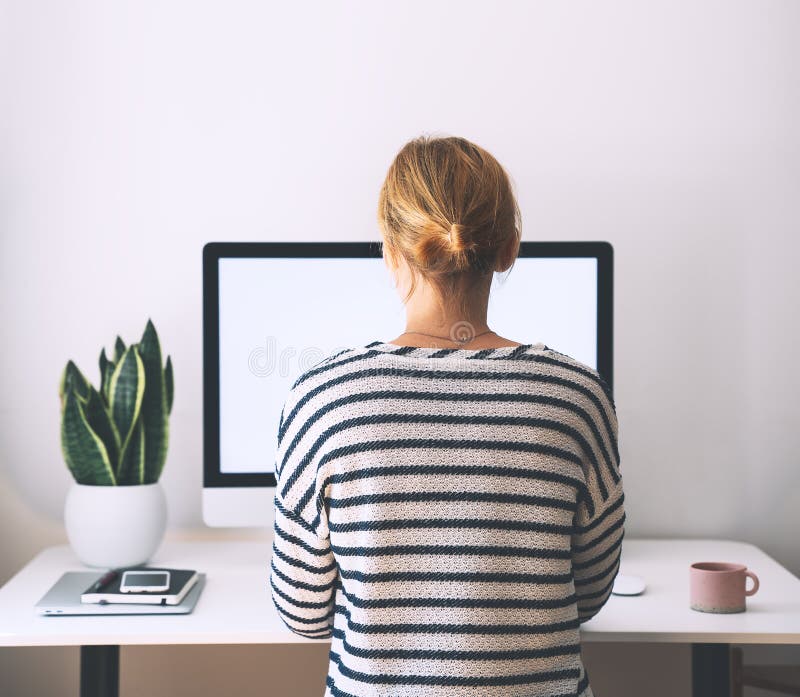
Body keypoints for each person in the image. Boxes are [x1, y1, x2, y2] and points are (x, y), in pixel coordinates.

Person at [269, 135, 625, 697]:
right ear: (510, 247)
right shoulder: (575, 395)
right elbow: (589, 593)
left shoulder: (322, 398)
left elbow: (302, 613)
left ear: (391, 250)